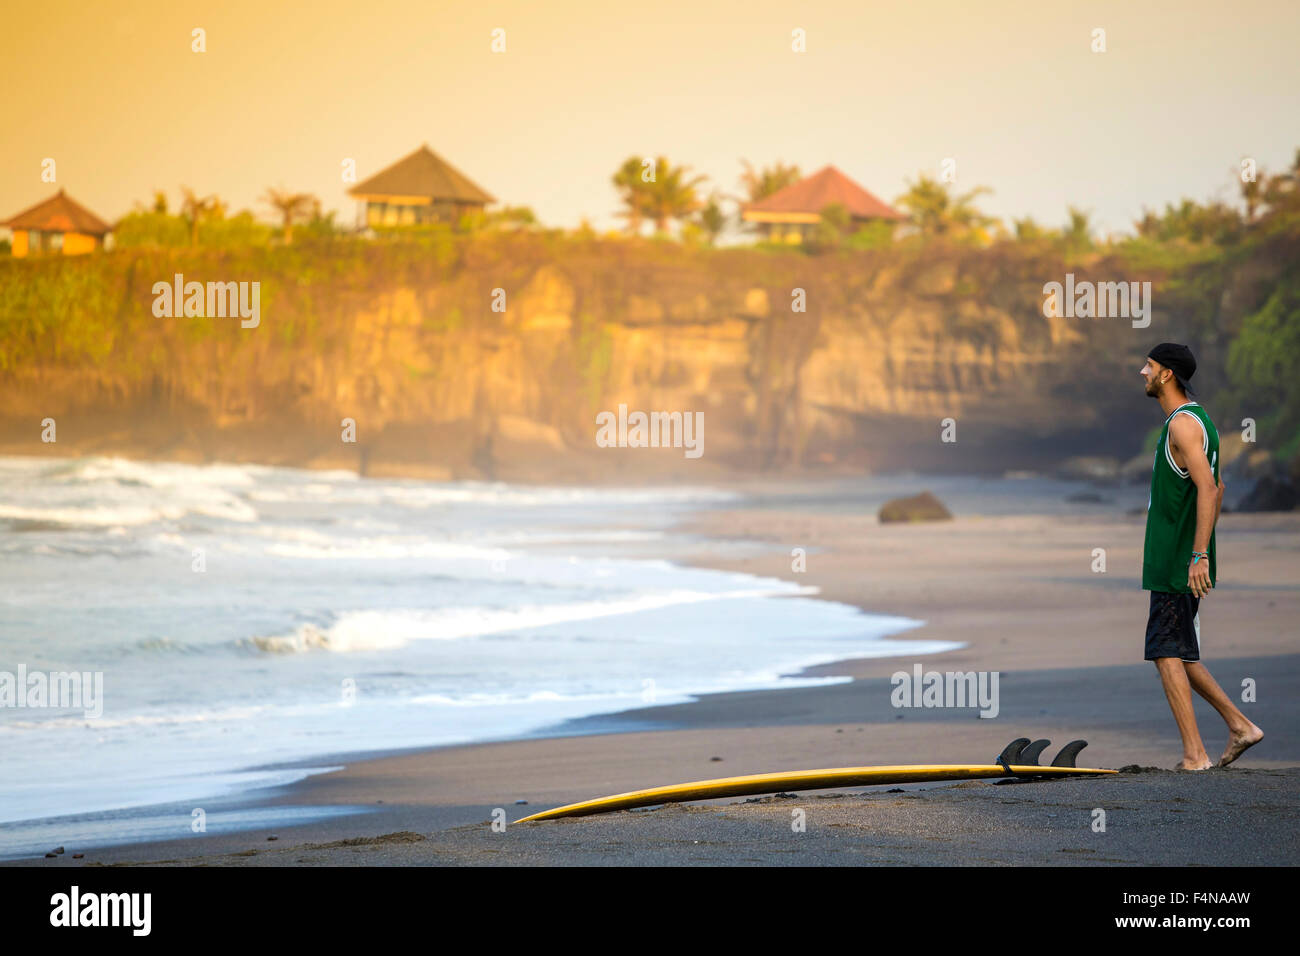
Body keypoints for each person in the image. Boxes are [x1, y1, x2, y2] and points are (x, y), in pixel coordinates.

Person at [1140, 342, 1262, 770]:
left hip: (1178, 561)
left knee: (1164, 649)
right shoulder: (1198, 419)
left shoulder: (1183, 427)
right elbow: (1218, 488)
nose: (1143, 372)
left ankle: (1195, 755)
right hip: (1178, 558)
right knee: (1182, 653)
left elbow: (1209, 490)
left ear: (1167, 374)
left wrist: (1197, 555)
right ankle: (1240, 725)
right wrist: (1202, 549)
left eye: (1149, 366)